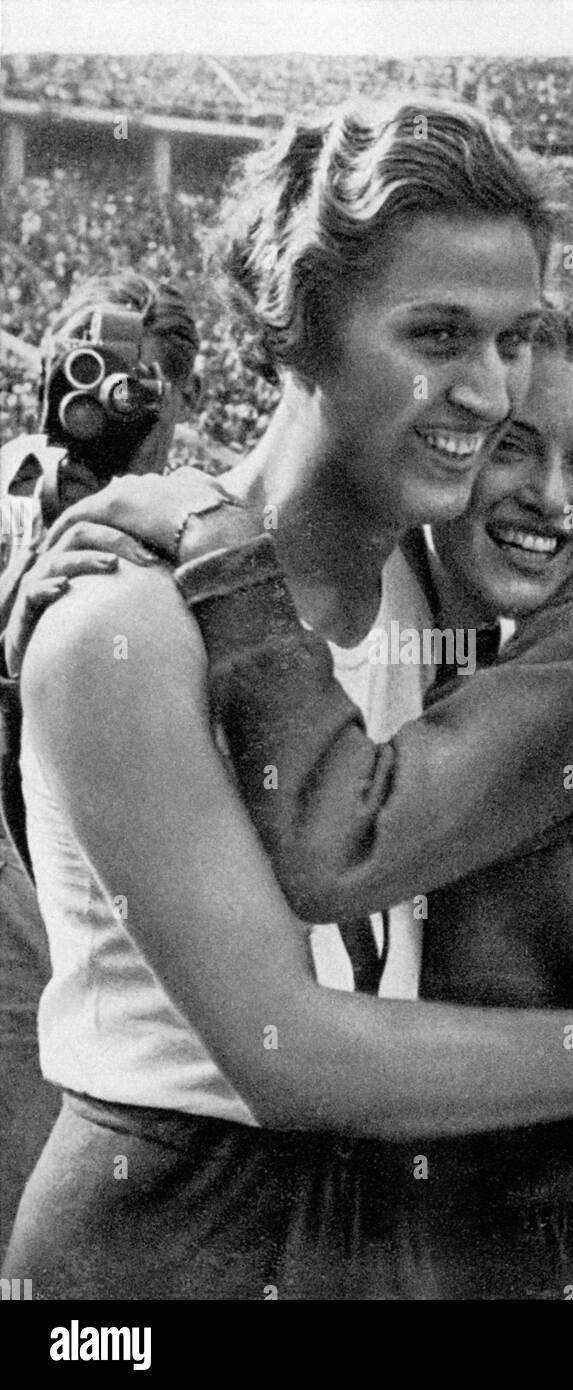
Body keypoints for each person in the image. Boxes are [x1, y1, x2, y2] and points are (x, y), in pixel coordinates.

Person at [2, 106, 573, 1302]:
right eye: (437, 334)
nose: (487, 389)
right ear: (301, 336)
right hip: (174, 1233)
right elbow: (288, 1055)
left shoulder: (442, 581)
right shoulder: (118, 629)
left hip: (404, 1220)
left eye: (513, 338)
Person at [0, 272, 200, 1259]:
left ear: (182, 402)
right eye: (85, 371)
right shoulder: (6, 496)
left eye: (138, 385)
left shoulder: (207, 527)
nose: (104, 402)